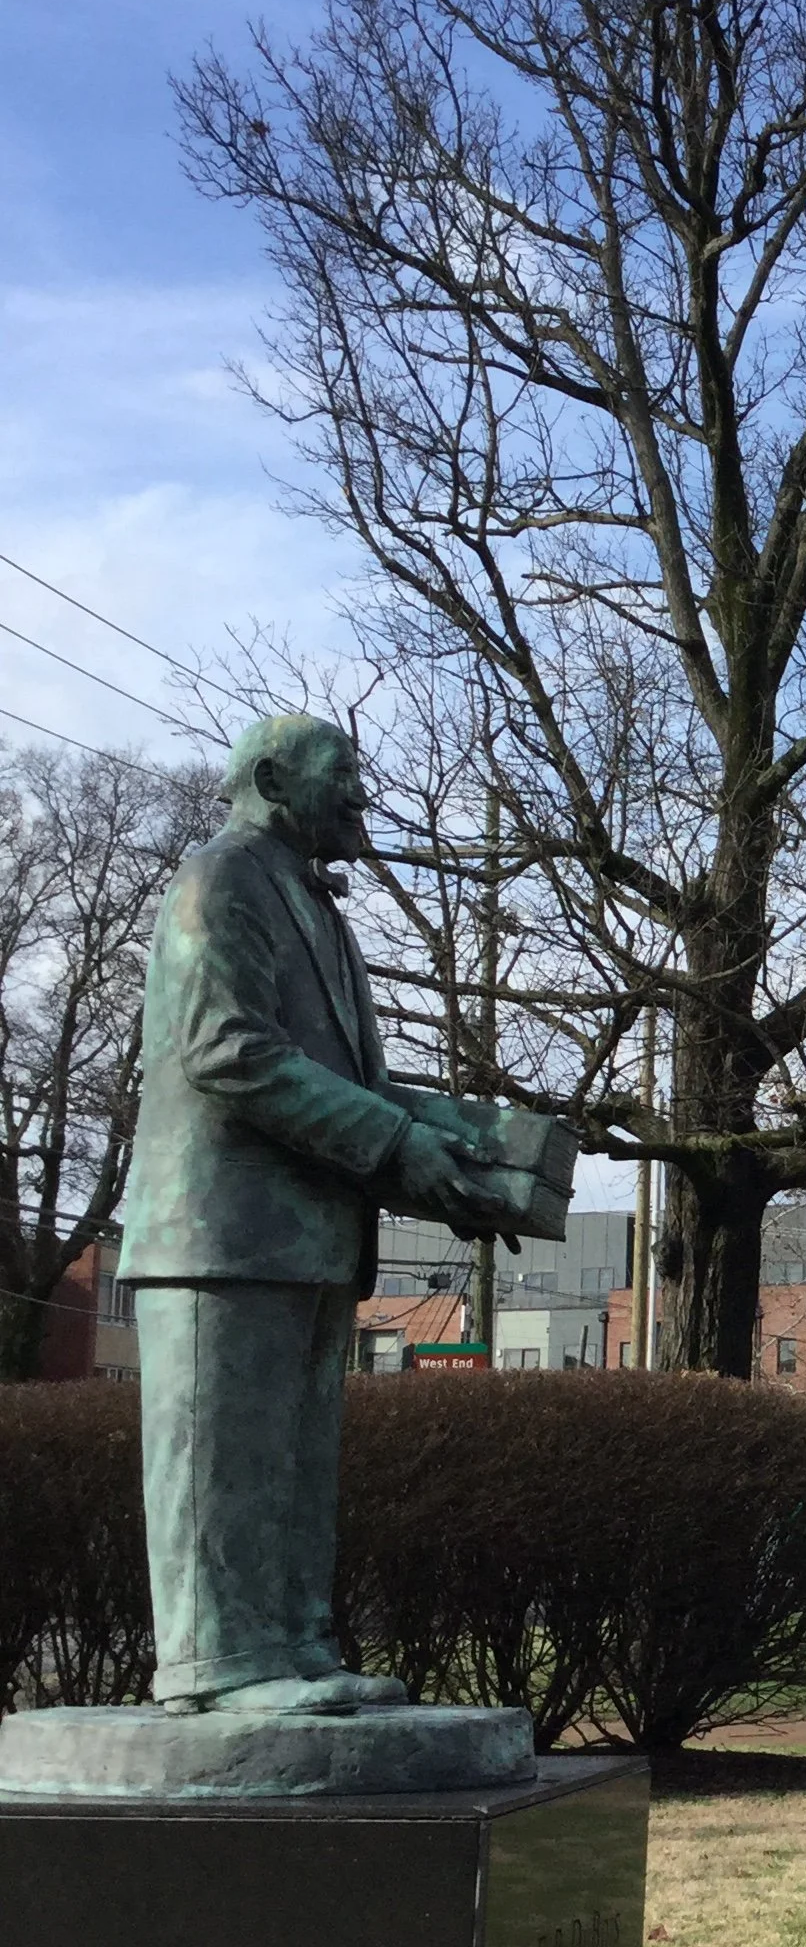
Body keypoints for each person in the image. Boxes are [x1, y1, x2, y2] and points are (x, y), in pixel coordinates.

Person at [118, 715, 513, 1714]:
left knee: (291, 1469)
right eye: (343, 775)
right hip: (219, 1233)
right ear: (269, 778)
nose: (361, 794)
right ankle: (216, 1666)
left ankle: (291, 1648)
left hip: (307, 1240)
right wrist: (394, 1147)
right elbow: (227, 1053)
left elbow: (351, 1081)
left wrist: (465, 1152)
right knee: (223, 1460)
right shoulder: (222, 879)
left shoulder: (313, 906)